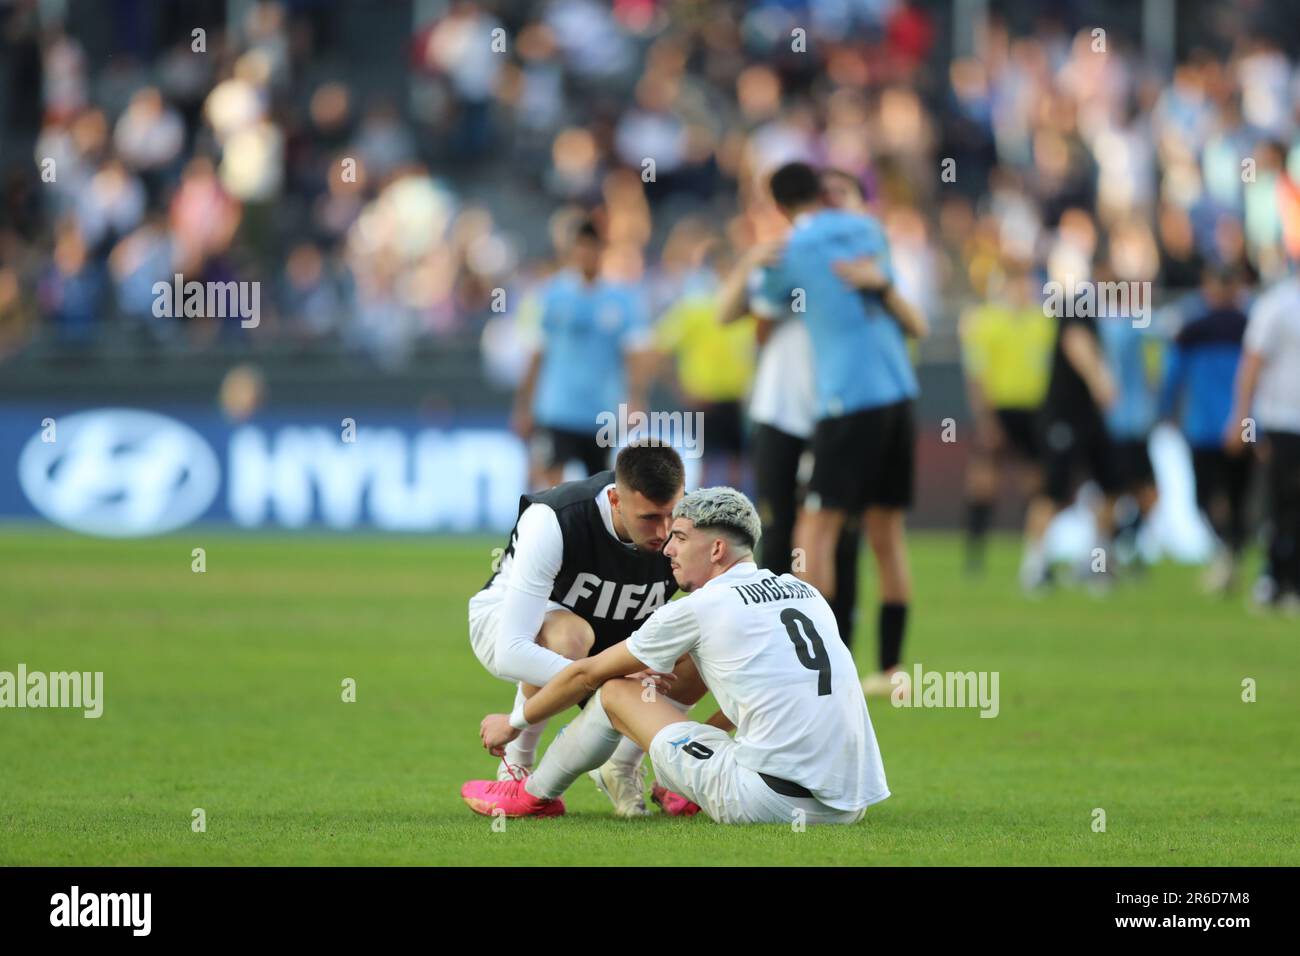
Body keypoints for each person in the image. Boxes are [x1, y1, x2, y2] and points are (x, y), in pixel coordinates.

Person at [462, 487, 890, 825]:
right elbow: (762, 698)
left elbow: (587, 676)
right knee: (703, 667)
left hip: (766, 802)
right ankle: (666, 780)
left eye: (681, 537)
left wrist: (513, 722)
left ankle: (533, 794)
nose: (667, 548)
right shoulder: (804, 592)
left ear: (717, 550)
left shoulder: (702, 606)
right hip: (850, 804)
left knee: (614, 690)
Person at [751, 162, 927, 696]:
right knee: (887, 536)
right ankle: (893, 668)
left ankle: (813, 667)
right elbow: (905, 314)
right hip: (899, 394)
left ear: (781, 206)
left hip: (846, 400)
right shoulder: (872, 232)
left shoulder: (793, 248)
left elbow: (758, 305)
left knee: (815, 527)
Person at [468, 441, 694, 816]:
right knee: (571, 636)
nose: (666, 531)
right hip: (508, 623)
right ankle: (516, 765)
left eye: (673, 514)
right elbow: (512, 650)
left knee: (696, 641)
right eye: (650, 518)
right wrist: (614, 672)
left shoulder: (693, 519)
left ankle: (621, 764)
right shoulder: (555, 518)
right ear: (617, 501)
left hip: (613, 636)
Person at [512, 218, 654, 488]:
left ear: (602, 250)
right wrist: (523, 405)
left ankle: (586, 531)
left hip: (602, 410)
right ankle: (554, 530)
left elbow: (635, 356)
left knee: (599, 486)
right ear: (573, 251)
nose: (587, 254)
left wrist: (636, 398)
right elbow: (536, 354)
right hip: (557, 408)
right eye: (582, 247)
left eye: (593, 247)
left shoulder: (623, 299)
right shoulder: (550, 295)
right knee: (551, 483)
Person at [1020, 276, 1121, 593]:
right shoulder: (1080, 307)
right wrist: (1099, 379)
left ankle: (1096, 562)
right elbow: (1076, 342)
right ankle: (1034, 567)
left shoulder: (1092, 311)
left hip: (1088, 417)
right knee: (1053, 492)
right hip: (1063, 417)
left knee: (1111, 486)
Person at [958, 257, 1056, 574]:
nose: (1023, 288)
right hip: (999, 409)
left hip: (1033, 411)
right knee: (984, 482)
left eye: (1026, 281)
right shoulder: (986, 321)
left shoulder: (1043, 321)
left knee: (1036, 483)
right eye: (1017, 281)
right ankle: (975, 554)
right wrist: (986, 418)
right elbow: (976, 374)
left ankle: (1036, 555)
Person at [1159, 267, 1252, 592]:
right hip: (1240, 426)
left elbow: (1173, 375)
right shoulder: (1247, 325)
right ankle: (1229, 553)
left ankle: (1227, 554)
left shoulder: (1194, 328)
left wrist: (1167, 410)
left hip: (1210, 426)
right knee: (1232, 495)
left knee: (1212, 496)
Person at [1226, 271, 1300, 611]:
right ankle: (1273, 578)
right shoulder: (1277, 304)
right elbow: (1252, 364)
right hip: (1280, 421)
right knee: (1282, 499)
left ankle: (1290, 581)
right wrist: (1242, 422)